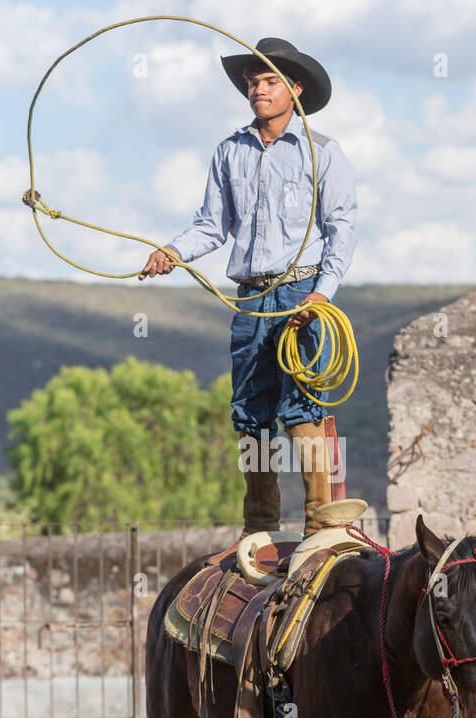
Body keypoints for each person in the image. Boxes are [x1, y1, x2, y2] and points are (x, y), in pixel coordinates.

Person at [138, 36, 357, 538]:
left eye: (269, 81)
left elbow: (342, 227)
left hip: (302, 294)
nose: (258, 89)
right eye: (252, 82)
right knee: (251, 412)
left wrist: (322, 294)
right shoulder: (229, 152)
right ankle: (259, 526)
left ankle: (319, 527)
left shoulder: (323, 153)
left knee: (304, 407)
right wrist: (172, 252)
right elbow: (213, 226)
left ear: (295, 90)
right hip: (251, 299)